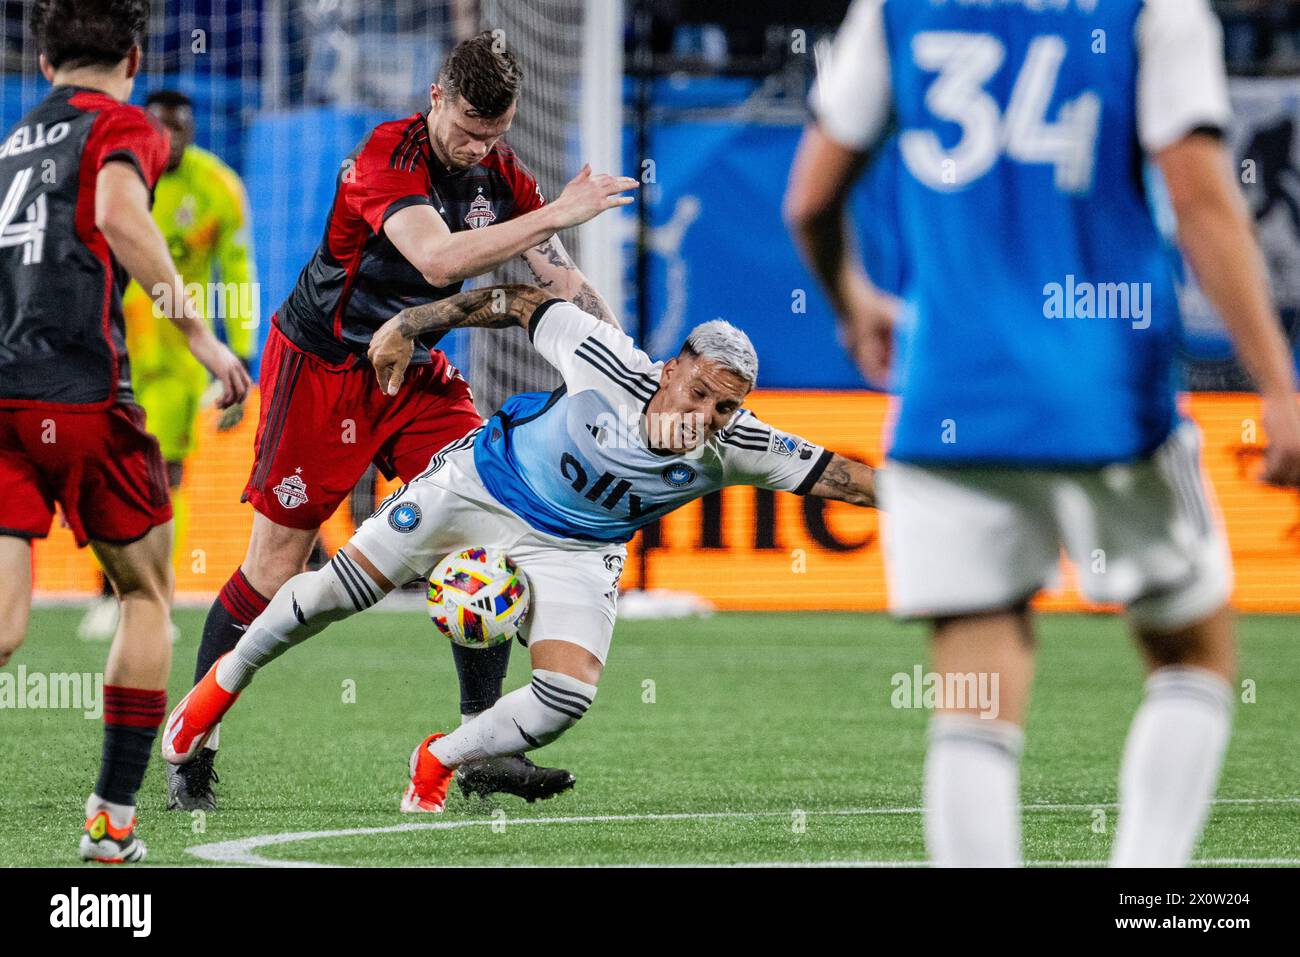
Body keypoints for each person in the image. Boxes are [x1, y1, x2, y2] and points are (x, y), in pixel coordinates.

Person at [784, 0, 1300, 866]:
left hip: (948, 393)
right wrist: (1277, 383)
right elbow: (1202, 199)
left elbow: (809, 199)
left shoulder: (896, 9)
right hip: (1105, 390)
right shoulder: (1155, 10)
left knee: (974, 692)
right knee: (1192, 647)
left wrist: (851, 300)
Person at [161, 284, 878, 812]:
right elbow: (515, 299)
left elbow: (846, 478)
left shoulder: (739, 446)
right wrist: (415, 320)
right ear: (670, 371)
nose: (705, 417)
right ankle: (219, 686)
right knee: (334, 592)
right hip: (482, 484)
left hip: (576, 548)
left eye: (724, 407)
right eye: (697, 394)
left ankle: (437, 761)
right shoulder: (606, 358)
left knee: (568, 695)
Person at [174, 31, 637, 812]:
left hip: (415, 370)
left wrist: (625, 364)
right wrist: (556, 210)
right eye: (465, 130)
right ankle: (194, 745)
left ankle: (482, 744)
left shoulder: (501, 171)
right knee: (275, 567)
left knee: (488, 528)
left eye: (493, 136)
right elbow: (438, 262)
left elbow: (556, 274)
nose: (476, 149)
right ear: (435, 101)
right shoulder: (384, 156)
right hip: (323, 365)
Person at [0, 0, 250, 863]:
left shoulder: (14, 143)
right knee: (147, 593)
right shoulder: (123, 125)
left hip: (1, 397)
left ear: (41, 65)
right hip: (82, 393)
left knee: (2, 627)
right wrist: (201, 334)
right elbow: (115, 212)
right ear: (134, 58)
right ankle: (110, 822)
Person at [79, 88, 259, 642]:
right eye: (162, 127)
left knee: (164, 476)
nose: (171, 138)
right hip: (112, 346)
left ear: (192, 129)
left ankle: (149, 593)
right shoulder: (119, 178)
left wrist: (243, 350)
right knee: (108, 469)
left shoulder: (218, 187)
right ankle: (106, 589)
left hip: (181, 359)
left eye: (180, 128)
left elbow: (237, 271)